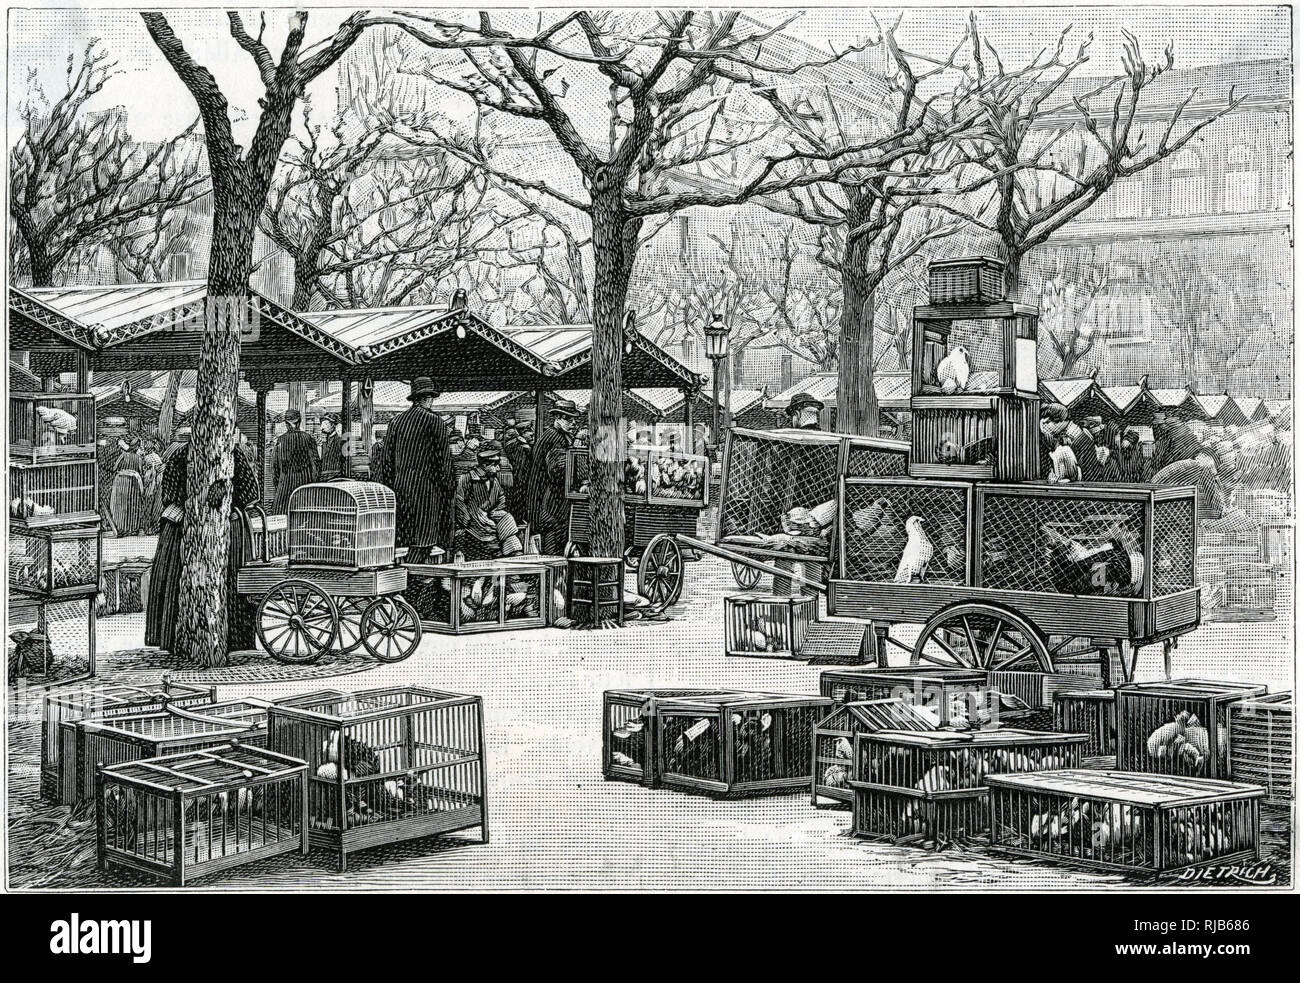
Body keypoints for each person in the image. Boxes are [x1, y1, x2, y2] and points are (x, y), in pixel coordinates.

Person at [144, 428, 262, 654]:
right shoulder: (181, 457)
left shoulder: (232, 454)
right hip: (188, 528)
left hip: (223, 528)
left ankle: (231, 639)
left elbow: (249, 492)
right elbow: (169, 493)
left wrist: (225, 495)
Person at [386, 376, 456, 562]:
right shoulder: (435, 421)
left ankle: (405, 582)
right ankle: (417, 585)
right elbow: (444, 461)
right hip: (427, 492)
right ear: (428, 398)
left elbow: (386, 461)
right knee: (424, 544)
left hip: (400, 490)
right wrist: (449, 487)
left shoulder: (396, 422)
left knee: (404, 542)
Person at [527, 397, 581, 555]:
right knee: (553, 547)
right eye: (570, 420)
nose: (574, 424)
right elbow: (558, 471)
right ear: (559, 418)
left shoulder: (552, 435)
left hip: (546, 500)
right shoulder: (555, 439)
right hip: (551, 503)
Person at [453, 440, 523, 560]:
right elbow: (459, 502)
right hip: (471, 521)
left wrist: (493, 514)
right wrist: (472, 517)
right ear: (485, 465)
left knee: (507, 518)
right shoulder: (468, 478)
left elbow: (500, 501)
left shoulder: (494, 481)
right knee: (485, 531)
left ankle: (514, 555)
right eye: (495, 465)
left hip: (489, 517)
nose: (499, 468)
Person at [271, 408, 319, 512]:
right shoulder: (308, 438)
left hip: (285, 485)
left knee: (282, 516)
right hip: (305, 485)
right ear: (299, 422)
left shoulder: (281, 440)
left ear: (287, 424)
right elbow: (316, 464)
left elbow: (275, 467)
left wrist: (278, 484)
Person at [108, 435, 147, 537]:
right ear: (137, 447)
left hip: (120, 481)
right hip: (133, 481)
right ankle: (132, 528)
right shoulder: (138, 458)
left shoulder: (123, 455)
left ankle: (120, 527)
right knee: (132, 504)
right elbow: (140, 471)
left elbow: (114, 467)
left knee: (120, 504)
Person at [140, 436, 165, 534]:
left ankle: (150, 527)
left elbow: (149, 471)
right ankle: (150, 527)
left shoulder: (151, 457)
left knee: (150, 505)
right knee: (151, 505)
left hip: (153, 483)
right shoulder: (153, 457)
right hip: (154, 483)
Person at [318, 412, 346, 481]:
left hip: (335, 477)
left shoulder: (339, 441)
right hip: (323, 476)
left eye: (325, 424)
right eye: (321, 424)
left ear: (333, 425)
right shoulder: (323, 440)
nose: (322, 427)